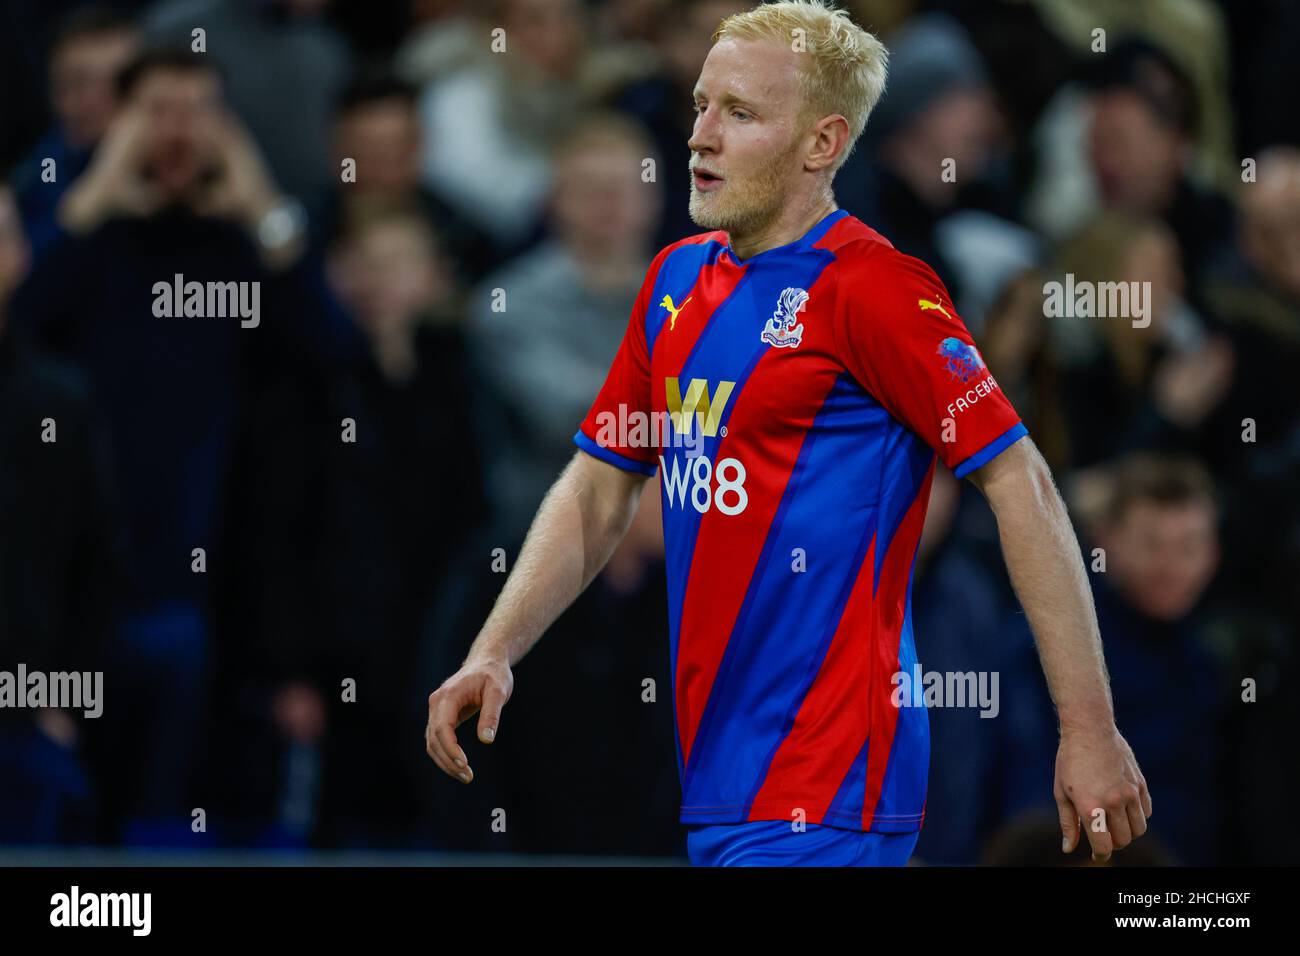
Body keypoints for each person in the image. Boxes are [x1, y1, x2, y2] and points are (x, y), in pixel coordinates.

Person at [424, 0, 1151, 867]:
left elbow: (1019, 481)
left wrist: (1090, 728)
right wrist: (497, 649)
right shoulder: (675, 280)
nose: (700, 136)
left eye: (740, 113)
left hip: (831, 777)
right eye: (701, 104)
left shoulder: (877, 290)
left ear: (822, 144)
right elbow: (599, 482)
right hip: (719, 774)